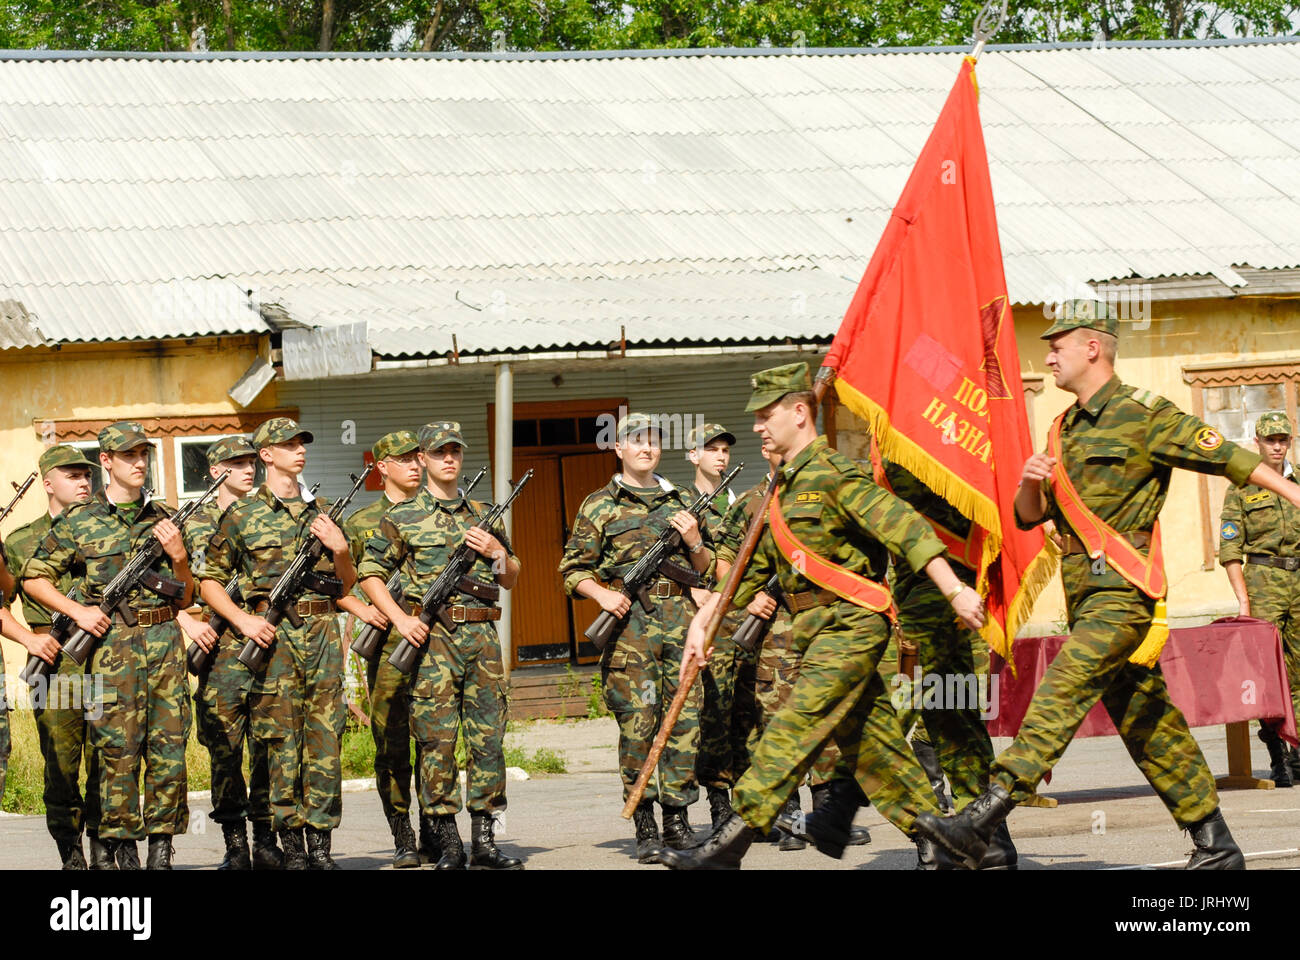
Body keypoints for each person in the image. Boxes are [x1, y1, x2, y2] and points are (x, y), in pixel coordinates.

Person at [915, 299, 1300, 870]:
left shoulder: (1147, 415)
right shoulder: (1061, 428)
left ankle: (982, 821)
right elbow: (1028, 516)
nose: (1047, 357)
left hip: (1123, 591)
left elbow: (1230, 460)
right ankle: (1215, 846)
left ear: (1091, 347)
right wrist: (1028, 481)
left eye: (1056, 346)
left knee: (1061, 689)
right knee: (1148, 721)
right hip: (1082, 592)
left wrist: (1296, 494)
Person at [660, 365, 984, 869]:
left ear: (799, 413)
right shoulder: (778, 493)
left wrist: (956, 589)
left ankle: (726, 849)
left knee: (793, 725)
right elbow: (746, 575)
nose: (758, 427)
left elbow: (905, 528)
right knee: (873, 747)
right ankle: (947, 843)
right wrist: (701, 627)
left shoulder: (835, 474)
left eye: (767, 416)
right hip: (814, 633)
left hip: (851, 627)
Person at [23, 423, 194, 870]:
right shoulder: (79, 522)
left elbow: (187, 596)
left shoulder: (167, 519)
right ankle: (117, 849)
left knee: (169, 751)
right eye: (128, 456)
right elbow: (34, 577)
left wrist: (177, 557)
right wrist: (78, 612)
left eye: (144, 455)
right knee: (115, 753)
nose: (139, 463)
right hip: (108, 651)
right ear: (107, 462)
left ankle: (162, 850)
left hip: (164, 648)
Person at [359, 421, 523, 870]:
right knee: (437, 741)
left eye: (455, 451)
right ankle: (448, 843)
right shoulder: (403, 516)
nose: (448, 459)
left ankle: (486, 841)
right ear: (423, 460)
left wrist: (496, 552)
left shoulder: (484, 513)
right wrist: (399, 618)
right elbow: (369, 573)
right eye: (438, 453)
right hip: (434, 644)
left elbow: (511, 577)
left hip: (484, 641)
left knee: (489, 740)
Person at [558, 412, 714, 863]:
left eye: (653, 441)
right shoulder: (598, 505)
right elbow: (573, 569)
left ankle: (678, 820)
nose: (646, 448)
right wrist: (603, 597)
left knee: (684, 723)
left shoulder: (683, 501)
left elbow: (706, 567)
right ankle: (645, 824)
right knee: (638, 725)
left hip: (682, 627)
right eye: (636, 441)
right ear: (618, 448)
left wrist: (696, 539)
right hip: (630, 633)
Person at [199, 417, 354, 870]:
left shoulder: (323, 513)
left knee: (326, 740)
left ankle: (321, 847)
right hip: (275, 641)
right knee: (281, 742)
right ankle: (291, 849)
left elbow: (346, 587)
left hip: (322, 636)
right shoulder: (241, 516)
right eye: (288, 445)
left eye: (302, 444)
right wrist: (243, 620)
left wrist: (341, 550)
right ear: (267, 454)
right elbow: (208, 582)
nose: (299, 451)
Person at [181, 434, 285, 870]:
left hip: (266, 646)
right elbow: (176, 588)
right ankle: (234, 845)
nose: (247, 469)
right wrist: (187, 621)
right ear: (214, 470)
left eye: (250, 462)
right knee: (225, 749)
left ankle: (265, 840)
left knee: (267, 746)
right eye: (236, 462)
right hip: (220, 650)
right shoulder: (194, 522)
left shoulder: (269, 515)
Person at [4, 446, 96, 869]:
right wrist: (28, 639)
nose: (83, 482)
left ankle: (108, 852)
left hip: (102, 659)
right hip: (54, 663)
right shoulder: (20, 541)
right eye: (73, 475)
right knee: (61, 762)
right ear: (48, 483)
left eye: (87, 475)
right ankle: (70, 854)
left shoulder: (104, 531)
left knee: (108, 758)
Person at [339, 430, 423, 867]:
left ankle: (438, 830)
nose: (414, 464)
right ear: (382, 466)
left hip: (434, 641)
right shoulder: (359, 522)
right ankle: (402, 833)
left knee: (435, 738)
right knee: (390, 739)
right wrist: (364, 608)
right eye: (403, 458)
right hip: (388, 644)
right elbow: (337, 581)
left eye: (417, 457)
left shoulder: (442, 514)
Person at [1220, 411, 1300, 786]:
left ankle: (1299, 754)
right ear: (1258, 442)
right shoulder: (1240, 487)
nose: (1277, 445)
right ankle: (1277, 756)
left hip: (1299, 581)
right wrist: (1243, 601)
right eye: (1270, 439)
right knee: (1269, 673)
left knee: (1299, 672)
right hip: (1262, 580)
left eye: (1283, 438)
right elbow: (1230, 547)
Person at [686, 422, 756, 830]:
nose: (720, 456)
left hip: (744, 621)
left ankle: (750, 805)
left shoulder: (741, 502)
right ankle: (718, 805)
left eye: (724, 450)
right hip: (706, 625)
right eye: (710, 449)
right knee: (713, 714)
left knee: (745, 715)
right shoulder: (680, 505)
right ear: (693, 455)